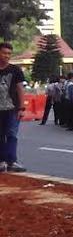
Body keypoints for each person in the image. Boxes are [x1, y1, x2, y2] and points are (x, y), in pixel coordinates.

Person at [0, 42, 28, 173]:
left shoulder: (15, 70)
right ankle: (1, 161)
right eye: (4, 53)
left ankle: (12, 161)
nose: (7, 56)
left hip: (12, 108)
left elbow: (20, 89)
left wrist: (22, 108)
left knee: (12, 134)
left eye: (9, 53)